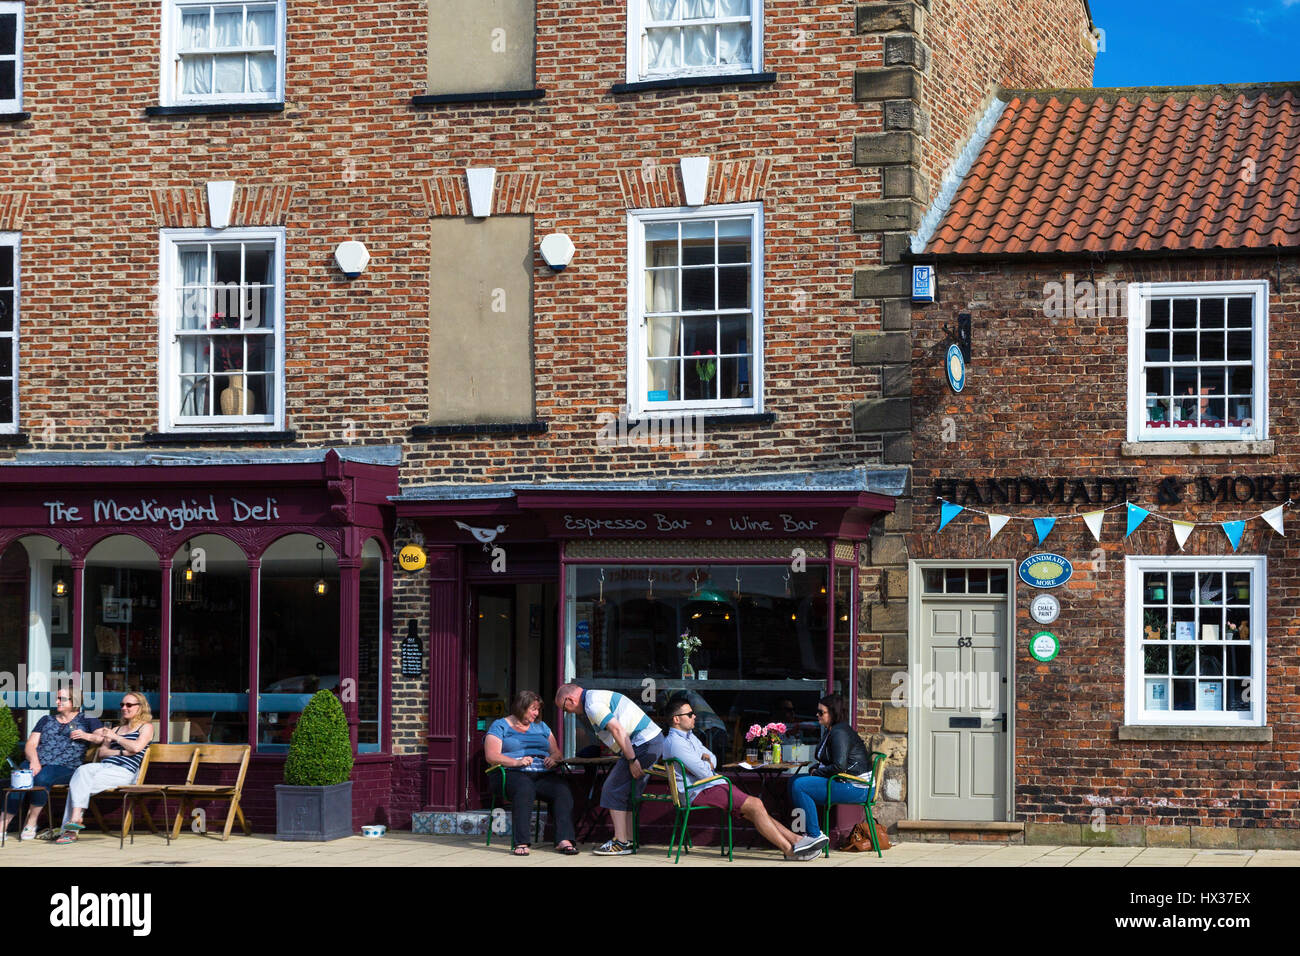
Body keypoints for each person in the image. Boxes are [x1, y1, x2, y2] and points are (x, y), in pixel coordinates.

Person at [661, 695, 820, 861]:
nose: (694, 716)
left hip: (711, 785)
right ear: (676, 719)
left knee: (755, 808)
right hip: (698, 791)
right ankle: (790, 850)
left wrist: (707, 762)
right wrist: (706, 763)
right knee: (756, 805)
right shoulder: (676, 743)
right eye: (690, 714)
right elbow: (704, 772)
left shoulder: (689, 737)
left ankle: (796, 840)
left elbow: (713, 759)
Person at [555, 682, 662, 856]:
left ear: (570, 700)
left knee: (612, 789)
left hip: (642, 744)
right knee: (626, 792)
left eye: (565, 708)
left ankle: (620, 842)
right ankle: (629, 840)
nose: (568, 713)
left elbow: (618, 729)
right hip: (649, 741)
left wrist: (632, 758)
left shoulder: (592, 704)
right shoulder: (595, 697)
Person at [483, 690, 578, 856]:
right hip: (510, 773)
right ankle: (521, 842)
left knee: (561, 790)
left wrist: (553, 759)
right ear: (521, 707)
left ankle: (564, 839)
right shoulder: (500, 725)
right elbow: (491, 756)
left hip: (541, 773)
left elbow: (556, 752)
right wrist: (516, 762)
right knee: (524, 788)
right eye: (533, 709)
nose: (536, 713)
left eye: (538, 709)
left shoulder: (542, 727)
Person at [1, 688, 100, 840]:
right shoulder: (46, 720)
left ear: (75, 702)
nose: (57, 702)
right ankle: (3, 826)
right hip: (38, 762)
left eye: (62, 699)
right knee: (20, 779)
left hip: (67, 766)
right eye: (57, 698)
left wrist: (86, 736)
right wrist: (34, 761)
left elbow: (101, 739)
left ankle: (31, 822)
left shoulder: (87, 719)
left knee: (43, 779)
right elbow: (31, 744)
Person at [56, 691, 155, 844]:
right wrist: (123, 751)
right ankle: (75, 819)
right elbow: (102, 752)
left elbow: (136, 748)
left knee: (77, 785)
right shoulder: (116, 728)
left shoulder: (145, 727)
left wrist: (116, 741)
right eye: (122, 705)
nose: (124, 708)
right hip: (105, 767)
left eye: (129, 705)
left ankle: (70, 830)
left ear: (140, 707)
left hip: (125, 772)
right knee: (81, 772)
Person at [787, 693, 873, 856]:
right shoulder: (832, 730)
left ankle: (814, 835)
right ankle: (808, 834)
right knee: (794, 781)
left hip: (857, 787)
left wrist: (817, 772)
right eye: (817, 712)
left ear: (833, 713)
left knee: (800, 785)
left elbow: (839, 765)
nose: (817, 715)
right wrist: (816, 769)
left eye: (821, 712)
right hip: (846, 782)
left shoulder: (839, 732)